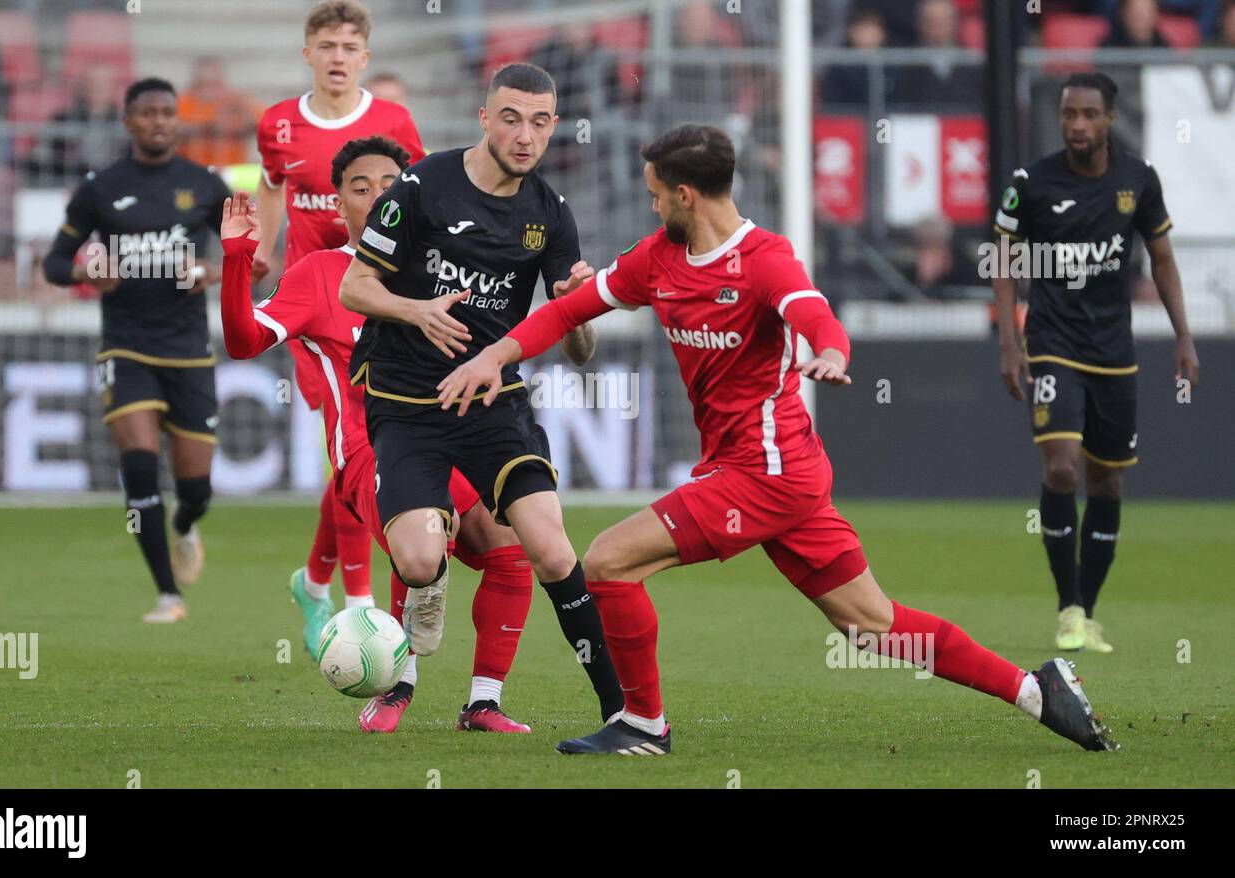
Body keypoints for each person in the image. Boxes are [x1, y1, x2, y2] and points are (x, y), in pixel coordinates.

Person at [436, 124, 1118, 756]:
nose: (650, 209)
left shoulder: (764, 261)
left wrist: (833, 353)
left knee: (608, 561)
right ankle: (1037, 689)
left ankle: (642, 723)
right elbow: (569, 310)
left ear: (684, 194)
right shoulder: (660, 259)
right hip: (779, 473)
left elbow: (816, 314)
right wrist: (495, 357)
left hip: (763, 472)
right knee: (871, 625)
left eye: (654, 196)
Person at [337, 62, 624, 724]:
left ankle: (622, 711)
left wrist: (579, 311)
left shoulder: (551, 214)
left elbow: (578, 350)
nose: (526, 135)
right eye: (513, 118)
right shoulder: (420, 185)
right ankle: (426, 588)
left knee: (550, 549)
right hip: (407, 405)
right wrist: (416, 311)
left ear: (554, 127)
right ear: (485, 118)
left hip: (494, 403)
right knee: (416, 555)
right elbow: (355, 286)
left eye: (541, 122)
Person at [220, 137, 537, 733]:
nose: (376, 197)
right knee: (423, 537)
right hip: (369, 450)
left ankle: (484, 703)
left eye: (390, 184)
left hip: (448, 434)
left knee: (513, 548)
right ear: (338, 204)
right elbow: (243, 343)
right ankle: (397, 689)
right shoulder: (318, 274)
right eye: (360, 188)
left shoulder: (441, 265)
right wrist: (236, 260)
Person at [992, 72, 1198, 653]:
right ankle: (1068, 607)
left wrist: (1184, 336)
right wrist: (1010, 341)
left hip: (1115, 353)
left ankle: (1088, 609)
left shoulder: (1139, 180)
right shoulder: (1031, 183)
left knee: (1108, 481)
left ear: (1109, 119)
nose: (1076, 125)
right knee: (1062, 469)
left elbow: (1162, 261)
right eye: (1068, 115)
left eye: (1087, 114)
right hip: (1053, 344)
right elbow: (1003, 262)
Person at [253, 0, 426, 631]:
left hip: (381, 297)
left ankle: (314, 581)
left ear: (365, 57)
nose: (337, 58)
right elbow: (273, 187)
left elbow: (416, 196)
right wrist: (264, 254)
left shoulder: (395, 122)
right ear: (308, 53)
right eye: (326, 46)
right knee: (355, 447)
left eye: (349, 48)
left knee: (363, 450)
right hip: (315, 305)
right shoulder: (277, 125)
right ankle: (359, 609)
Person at [42, 78, 230, 623]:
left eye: (167, 113)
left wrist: (211, 271)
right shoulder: (100, 188)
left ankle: (186, 523)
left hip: (189, 351)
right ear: (128, 121)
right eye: (147, 113)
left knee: (196, 487)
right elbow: (55, 262)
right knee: (142, 468)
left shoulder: (205, 185)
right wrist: (85, 272)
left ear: (177, 120)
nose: (158, 122)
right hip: (126, 349)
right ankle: (169, 595)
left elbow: (247, 257)